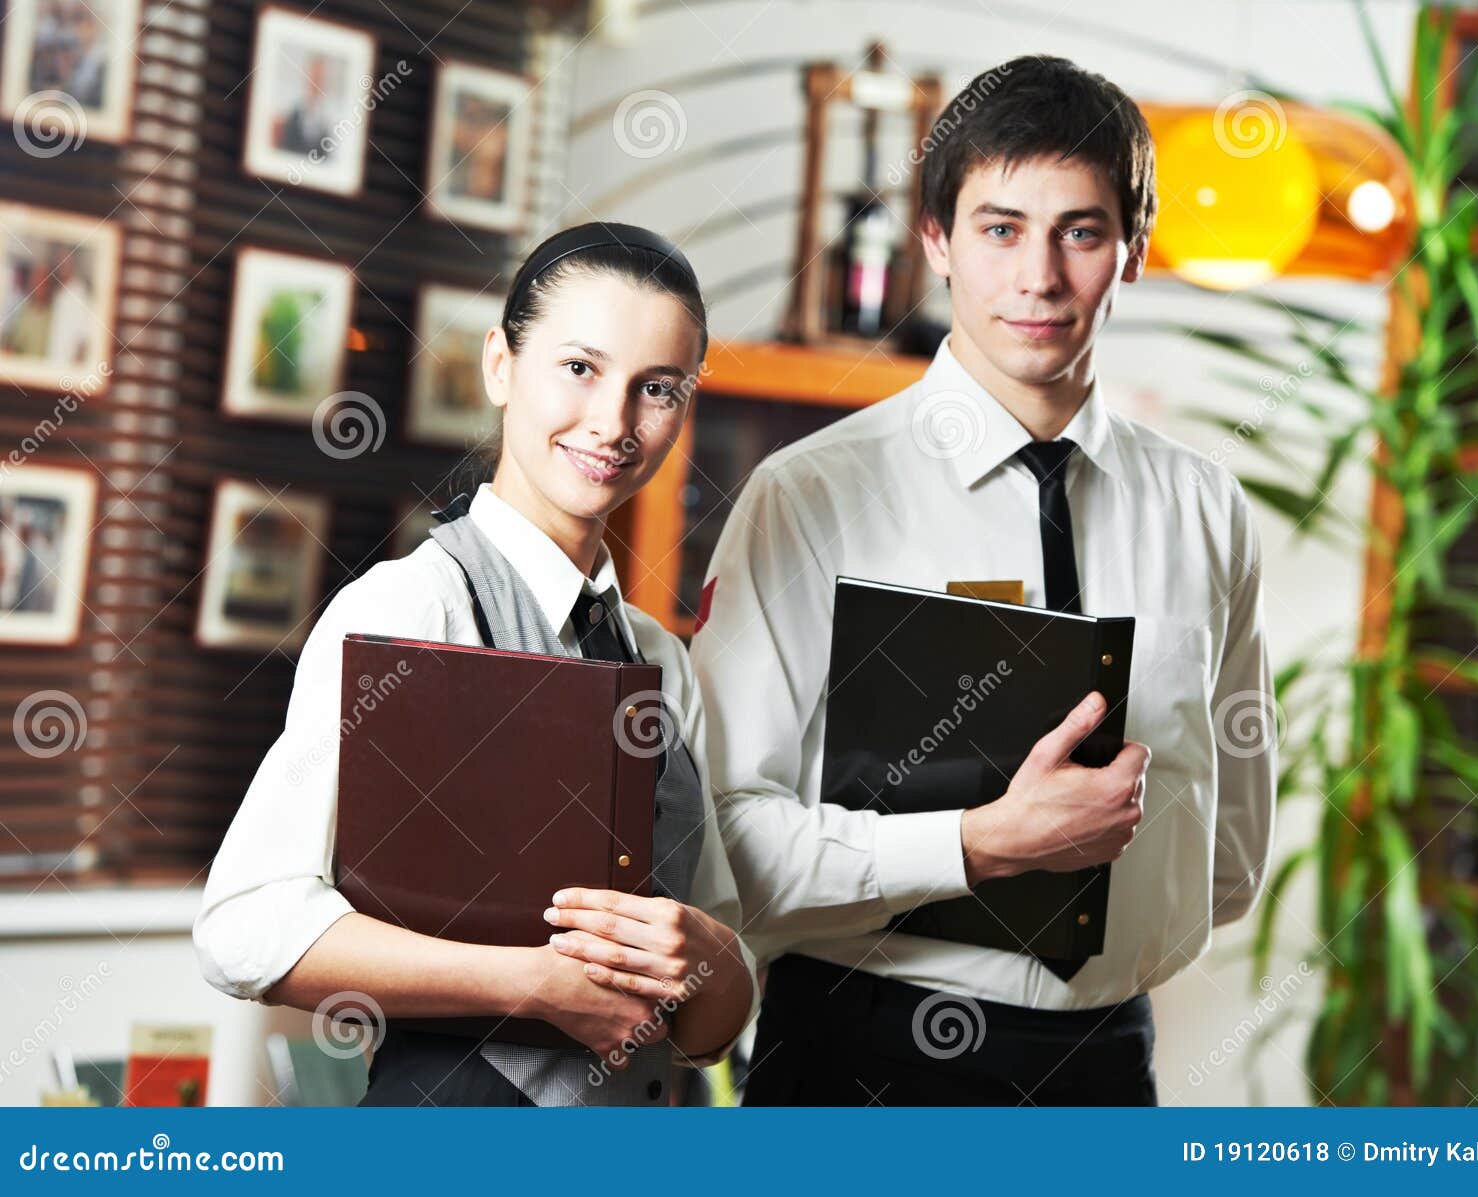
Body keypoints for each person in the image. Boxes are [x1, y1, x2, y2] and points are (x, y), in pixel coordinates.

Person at [690, 55, 1276, 1106]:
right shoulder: (808, 496)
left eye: (1081, 232)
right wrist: (972, 846)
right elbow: (720, 839)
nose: (1039, 278)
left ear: (1133, 250)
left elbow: (1228, 852)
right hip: (855, 1059)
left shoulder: (1204, 509)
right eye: (1000, 229)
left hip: (1101, 1069)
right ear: (936, 244)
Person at [194, 223, 759, 1106]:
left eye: (657, 388)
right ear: (500, 364)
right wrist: (528, 984)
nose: (613, 423)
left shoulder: (660, 658)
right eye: (579, 368)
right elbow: (243, 927)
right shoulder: (409, 610)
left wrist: (711, 958)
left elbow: (713, 1010)